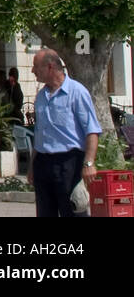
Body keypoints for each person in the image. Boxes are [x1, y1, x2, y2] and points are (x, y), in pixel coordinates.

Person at [29, 48, 101, 217]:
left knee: (74, 211)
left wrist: (89, 163)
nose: (33, 71)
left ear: (50, 67)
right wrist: (33, 165)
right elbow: (40, 135)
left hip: (69, 164)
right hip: (43, 163)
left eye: (35, 66)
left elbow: (91, 130)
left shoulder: (77, 92)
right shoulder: (41, 96)